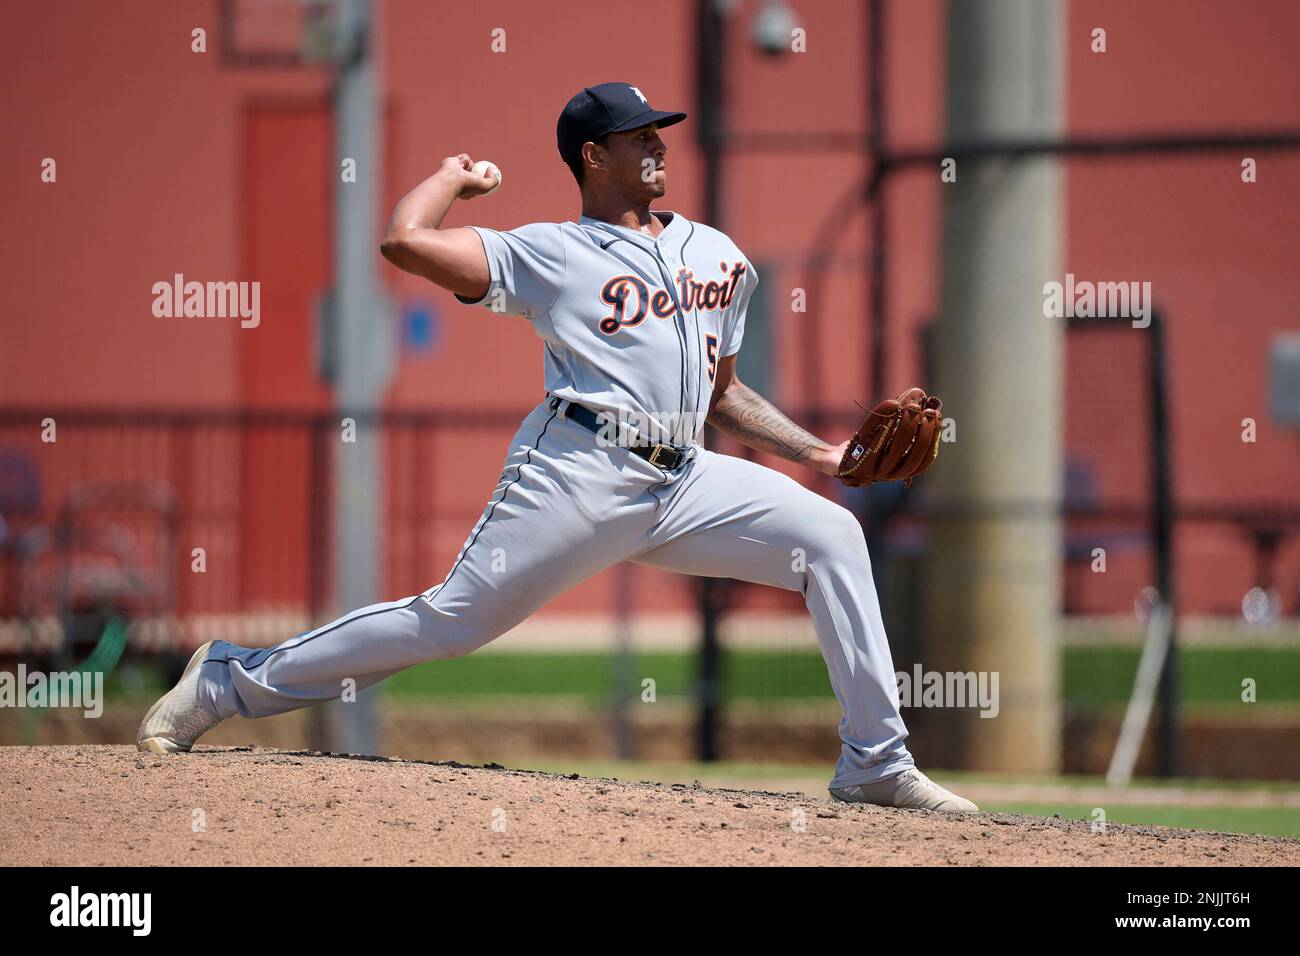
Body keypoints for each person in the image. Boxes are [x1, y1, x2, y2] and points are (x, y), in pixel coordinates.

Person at [137, 82, 977, 813]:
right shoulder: (550, 251)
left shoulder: (716, 254)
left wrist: (821, 455)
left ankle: (875, 762)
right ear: (591, 155)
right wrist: (450, 182)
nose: (657, 144)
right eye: (637, 134)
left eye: (659, 131)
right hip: (578, 469)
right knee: (451, 622)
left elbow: (720, 394)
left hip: (683, 478)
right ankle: (229, 678)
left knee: (832, 536)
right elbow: (404, 244)